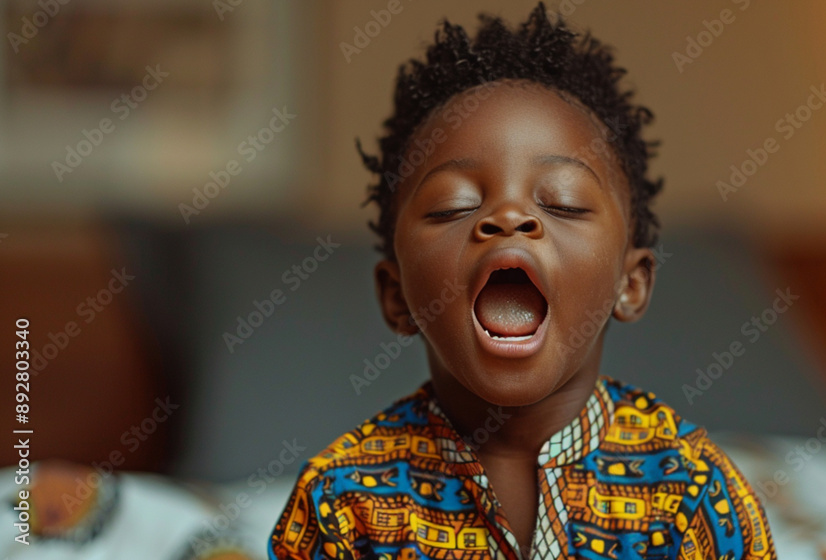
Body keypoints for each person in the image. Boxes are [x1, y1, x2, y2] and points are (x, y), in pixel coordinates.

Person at [269, 4, 775, 559]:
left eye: (563, 202)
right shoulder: (342, 503)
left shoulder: (694, 492)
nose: (508, 217)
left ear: (630, 285)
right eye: (452, 206)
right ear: (397, 298)